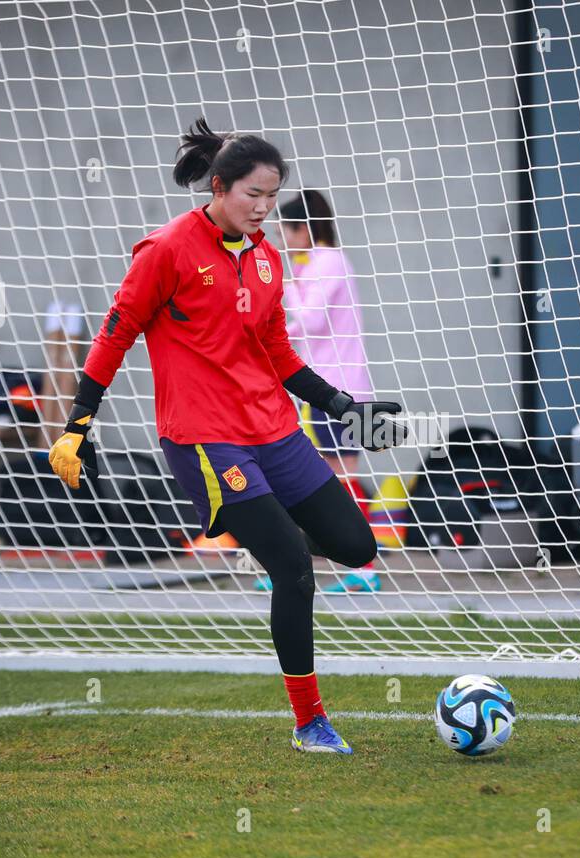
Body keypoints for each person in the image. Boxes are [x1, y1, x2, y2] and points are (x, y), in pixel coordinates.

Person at [48, 118, 406, 754]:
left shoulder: (269, 259)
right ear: (219, 187)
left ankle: (268, 526)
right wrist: (78, 426)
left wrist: (343, 405)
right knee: (293, 567)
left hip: (273, 428)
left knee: (355, 546)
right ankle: (310, 724)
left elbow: (279, 352)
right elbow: (114, 334)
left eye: (272, 198)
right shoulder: (166, 249)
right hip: (204, 439)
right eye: (253, 196)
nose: (263, 209)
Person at [274, 189, 381, 593]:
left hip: (337, 391)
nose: (283, 239)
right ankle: (300, 566)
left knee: (341, 480)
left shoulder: (327, 261)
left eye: (285, 229)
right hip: (328, 389)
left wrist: (281, 283)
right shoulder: (317, 263)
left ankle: (366, 568)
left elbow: (310, 320)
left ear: (303, 228)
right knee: (318, 479)